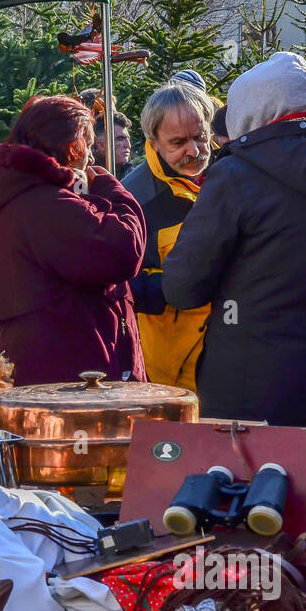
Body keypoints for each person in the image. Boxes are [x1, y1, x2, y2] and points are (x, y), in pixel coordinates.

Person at [162, 52, 306, 427]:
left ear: (248, 113)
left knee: (243, 485)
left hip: (243, 392)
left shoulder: (234, 176)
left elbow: (183, 288)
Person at [0, 95, 146, 386]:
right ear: (72, 146)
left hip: (46, 368)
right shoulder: (46, 203)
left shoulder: (16, 195)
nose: (90, 158)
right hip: (76, 377)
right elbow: (123, 249)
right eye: (87, 145)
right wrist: (110, 187)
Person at [119, 81, 214, 390]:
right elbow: (121, 283)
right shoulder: (134, 199)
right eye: (179, 142)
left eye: (200, 137)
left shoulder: (227, 176)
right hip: (168, 369)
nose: (195, 151)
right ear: (154, 142)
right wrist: (183, 285)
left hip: (225, 356)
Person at [93, 109, 132, 175]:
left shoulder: (132, 174)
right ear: (101, 145)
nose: (128, 145)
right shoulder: (86, 178)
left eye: (128, 139)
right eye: (120, 138)